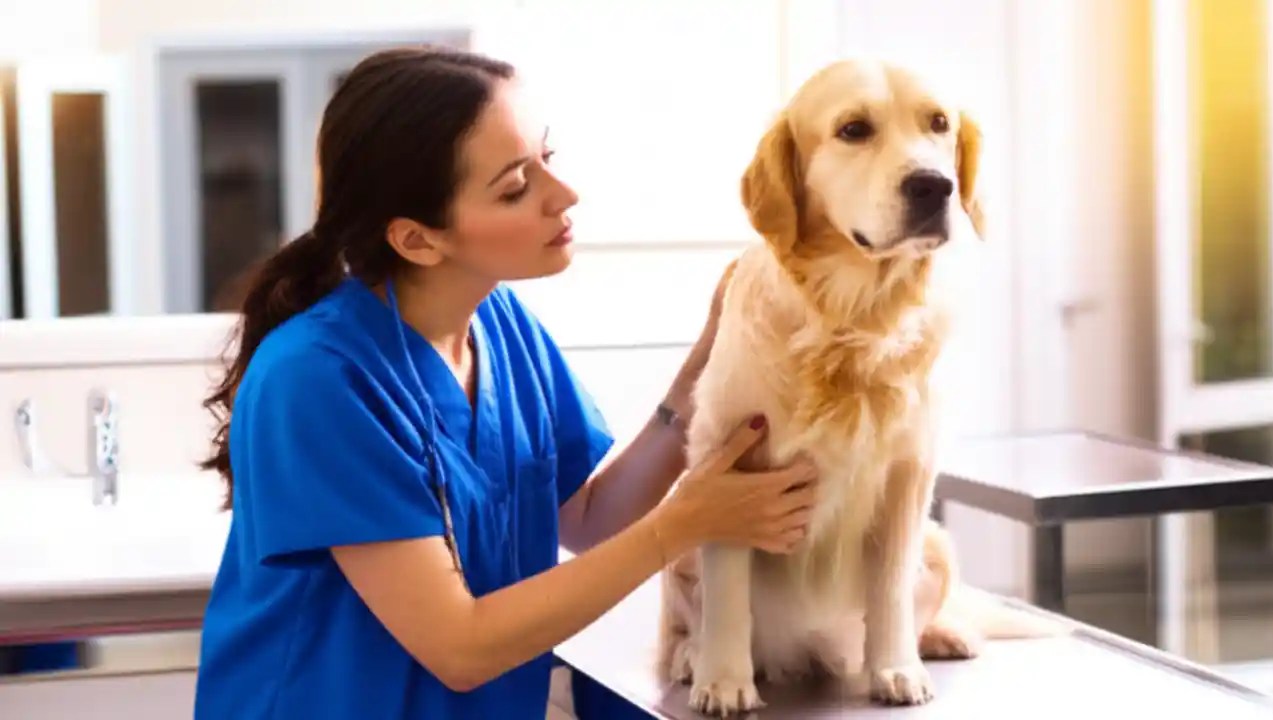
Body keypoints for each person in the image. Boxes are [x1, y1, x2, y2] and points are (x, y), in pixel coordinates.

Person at [191, 46, 817, 720]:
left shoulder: (498, 323)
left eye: (548, 158)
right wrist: (682, 526)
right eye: (516, 186)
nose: (564, 195)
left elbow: (591, 520)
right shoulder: (314, 380)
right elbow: (459, 647)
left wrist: (711, 360)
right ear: (417, 240)